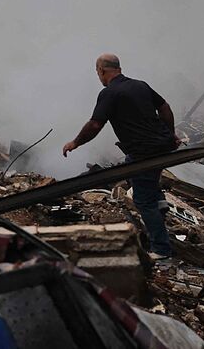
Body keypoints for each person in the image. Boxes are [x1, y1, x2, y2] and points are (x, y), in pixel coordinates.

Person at [62, 53, 178, 261]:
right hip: (161, 147)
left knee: (143, 201)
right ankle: (160, 203)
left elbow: (95, 124)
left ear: (102, 71)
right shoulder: (140, 85)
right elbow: (164, 107)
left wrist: (75, 142)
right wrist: (170, 135)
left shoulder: (109, 93)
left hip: (144, 152)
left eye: (97, 72)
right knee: (135, 171)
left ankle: (161, 250)